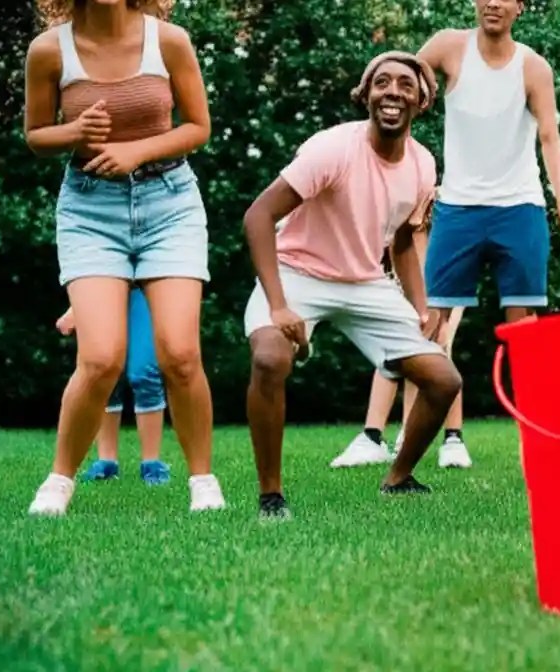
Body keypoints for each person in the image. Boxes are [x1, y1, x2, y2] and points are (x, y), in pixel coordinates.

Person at [23, 0, 225, 515]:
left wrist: (137, 151)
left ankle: (203, 482)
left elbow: (198, 127)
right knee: (100, 358)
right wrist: (74, 133)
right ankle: (59, 482)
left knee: (180, 353)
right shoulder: (49, 51)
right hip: (90, 209)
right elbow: (36, 135)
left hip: (170, 204)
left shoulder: (169, 41)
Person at [241, 51, 463, 519]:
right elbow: (258, 216)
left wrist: (422, 310)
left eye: (405, 85)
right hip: (297, 271)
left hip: (365, 282)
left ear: (422, 102)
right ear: (365, 95)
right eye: (382, 83)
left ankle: (398, 479)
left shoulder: (423, 164)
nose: (393, 92)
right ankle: (271, 496)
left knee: (443, 379)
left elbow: (402, 241)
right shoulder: (333, 148)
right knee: (269, 359)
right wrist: (279, 306)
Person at [416, 0, 560, 328]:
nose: (493, 3)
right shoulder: (448, 46)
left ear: (520, 6)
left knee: (522, 324)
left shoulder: (534, 68)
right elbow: (401, 80)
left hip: (519, 207)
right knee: (431, 317)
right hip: (458, 206)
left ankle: (521, 366)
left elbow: (550, 138)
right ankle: (429, 365)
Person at [331, 205, 472, 470]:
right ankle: (375, 438)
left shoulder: (450, 216)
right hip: (411, 292)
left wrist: (446, 320)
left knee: (440, 347)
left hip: (449, 291)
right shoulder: (399, 218)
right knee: (398, 350)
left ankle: (453, 439)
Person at [55, 285, 170, 485]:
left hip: (146, 286)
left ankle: (152, 464)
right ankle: (106, 462)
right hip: (104, 290)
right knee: (104, 371)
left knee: (144, 372)